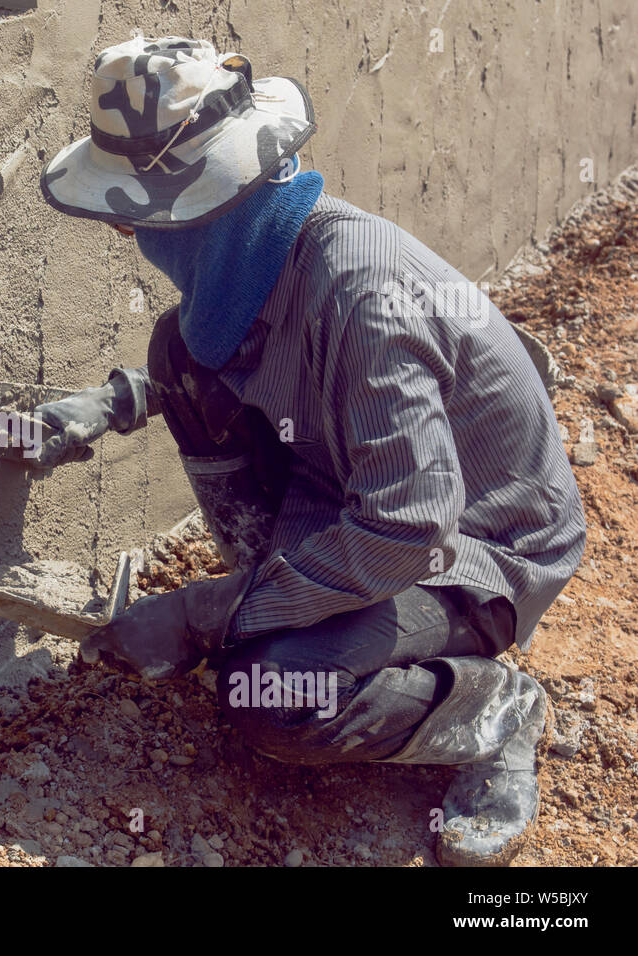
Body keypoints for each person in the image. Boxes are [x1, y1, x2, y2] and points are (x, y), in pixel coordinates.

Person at [33, 35, 586, 866]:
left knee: (271, 698)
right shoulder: (262, 254)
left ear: (208, 202)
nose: (124, 232)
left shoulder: (365, 298)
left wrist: (201, 611)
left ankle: (494, 709)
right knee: (177, 357)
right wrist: (117, 401)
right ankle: (279, 605)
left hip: (473, 546)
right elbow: (260, 362)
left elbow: (410, 531)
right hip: (354, 495)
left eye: (135, 212)